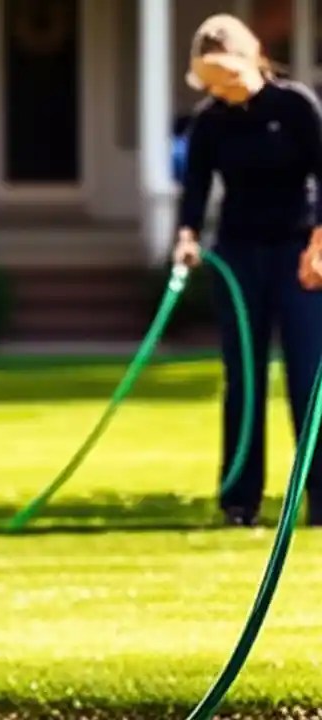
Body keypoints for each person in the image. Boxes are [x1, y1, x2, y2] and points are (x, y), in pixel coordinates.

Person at [174, 13, 322, 527]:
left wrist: (319, 245)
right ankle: (240, 501)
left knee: (308, 377)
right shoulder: (210, 121)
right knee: (244, 379)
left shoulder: (296, 106)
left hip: (300, 254)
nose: (222, 90)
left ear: (250, 58)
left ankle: (320, 499)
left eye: (226, 77)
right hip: (238, 254)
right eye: (210, 82)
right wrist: (187, 238)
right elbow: (195, 189)